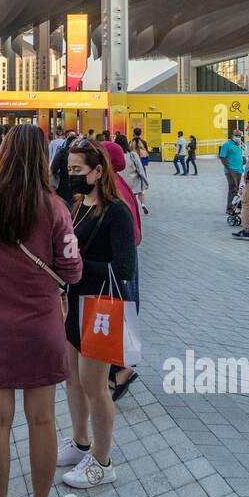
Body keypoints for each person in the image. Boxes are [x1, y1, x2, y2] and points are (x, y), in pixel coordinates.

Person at [59, 138, 136, 489]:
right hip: (73, 305)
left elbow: (123, 269)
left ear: (98, 171)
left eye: (78, 170)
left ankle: (103, 461)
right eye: (69, 168)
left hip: (101, 307)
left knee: (95, 386)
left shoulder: (116, 211)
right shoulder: (77, 204)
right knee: (72, 378)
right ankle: (80, 442)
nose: (71, 175)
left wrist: (75, 265)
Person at [100, 140, 143, 402]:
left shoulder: (111, 188)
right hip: (125, 258)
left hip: (119, 260)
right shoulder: (119, 183)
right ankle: (118, 367)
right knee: (123, 309)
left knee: (120, 310)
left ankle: (121, 368)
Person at [219, 129, 245, 215]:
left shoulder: (238, 145)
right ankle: (229, 208)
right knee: (232, 188)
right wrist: (229, 169)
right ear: (232, 136)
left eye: (240, 136)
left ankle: (234, 206)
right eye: (236, 135)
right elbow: (222, 157)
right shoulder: (226, 145)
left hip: (239, 170)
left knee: (237, 189)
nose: (238, 137)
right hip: (231, 171)